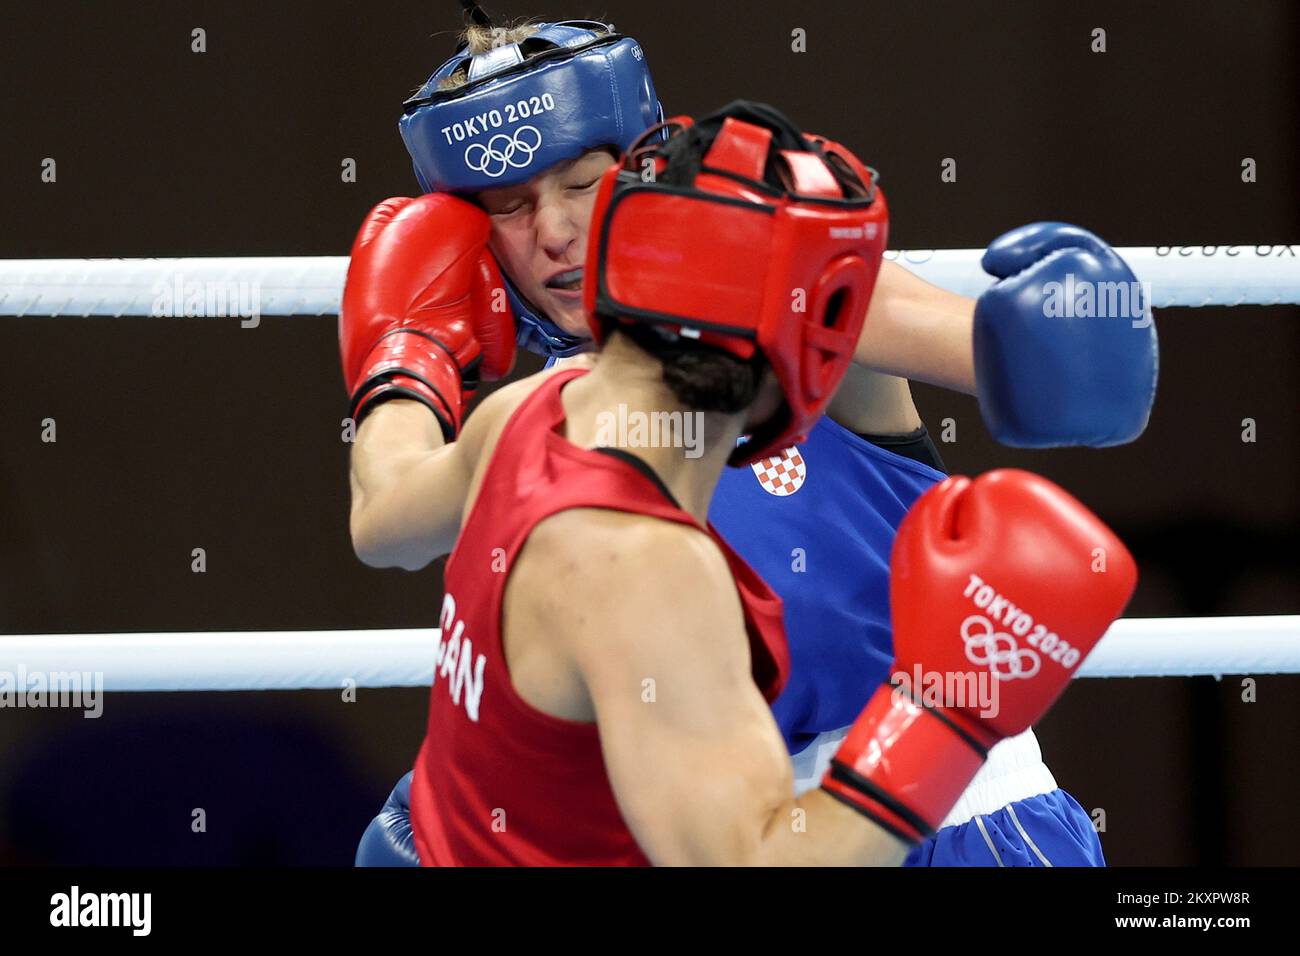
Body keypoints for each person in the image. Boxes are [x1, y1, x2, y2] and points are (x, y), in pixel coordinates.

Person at [355, 13, 1158, 865]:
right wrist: (411, 351)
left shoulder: (781, 274)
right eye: (510, 207)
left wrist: (1059, 336)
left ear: (642, 174)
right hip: (736, 821)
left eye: (583, 184)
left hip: (950, 826)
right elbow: (385, 521)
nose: (552, 231)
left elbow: (1047, 368)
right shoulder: (539, 434)